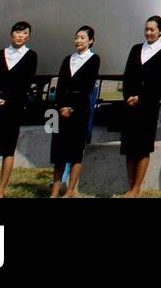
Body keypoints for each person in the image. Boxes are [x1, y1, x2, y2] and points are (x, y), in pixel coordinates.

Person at [0, 20, 38, 198]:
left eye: (24, 33)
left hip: (13, 107)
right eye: (18, 32)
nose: (20, 36)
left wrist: (8, 101)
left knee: (7, 149)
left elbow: (25, 83)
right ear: (11, 34)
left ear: (28, 36)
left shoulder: (31, 56)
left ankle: (1, 190)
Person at [119, 15, 161, 197]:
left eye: (152, 30)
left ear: (160, 31)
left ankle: (136, 188)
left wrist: (140, 97)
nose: (149, 33)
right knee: (129, 147)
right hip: (130, 105)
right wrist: (128, 96)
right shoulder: (136, 49)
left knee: (142, 147)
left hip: (147, 105)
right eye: (147, 29)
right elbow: (127, 75)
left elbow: (158, 80)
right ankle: (129, 184)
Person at [49, 25, 100, 198]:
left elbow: (87, 85)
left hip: (79, 109)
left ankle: (70, 190)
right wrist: (62, 106)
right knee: (59, 152)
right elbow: (61, 84)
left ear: (90, 41)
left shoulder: (94, 59)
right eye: (77, 37)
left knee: (75, 150)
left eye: (83, 38)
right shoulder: (67, 59)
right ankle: (55, 191)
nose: (79, 40)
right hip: (61, 108)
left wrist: (72, 108)